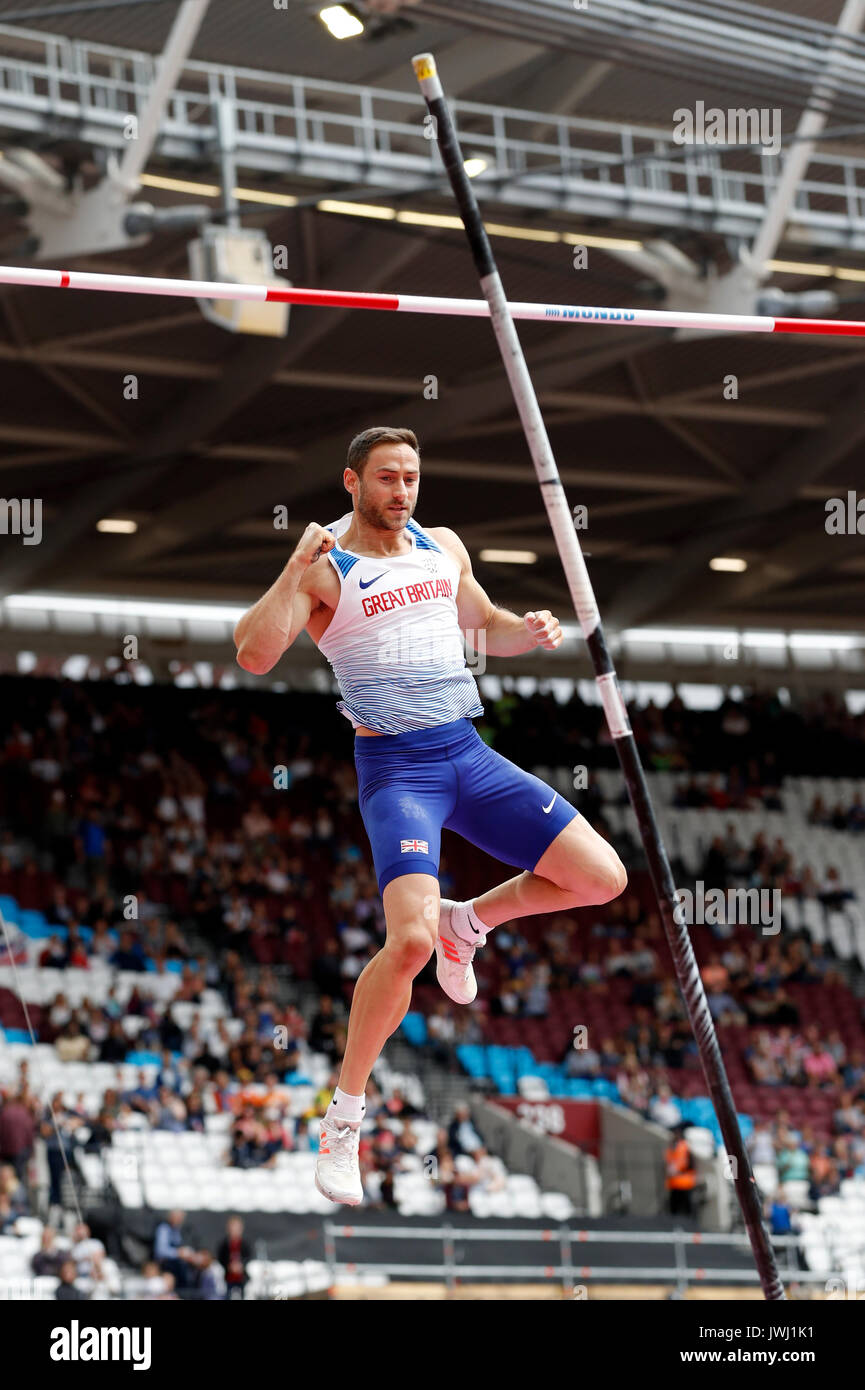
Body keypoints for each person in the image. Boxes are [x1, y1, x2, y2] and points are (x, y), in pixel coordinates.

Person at [233, 426, 627, 1206]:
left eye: (411, 477)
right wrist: (291, 567)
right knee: (407, 943)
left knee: (601, 877)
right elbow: (253, 653)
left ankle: (469, 922)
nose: (402, 491)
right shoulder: (326, 571)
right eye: (386, 478)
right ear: (352, 482)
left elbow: (488, 627)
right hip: (398, 772)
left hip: (467, 756)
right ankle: (344, 1117)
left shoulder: (439, 544)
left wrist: (531, 632)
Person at [664, 1122, 698, 1218]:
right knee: (674, 1210)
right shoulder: (671, 1147)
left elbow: (691, 1165)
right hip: (674, 1183)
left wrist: (678, 1170)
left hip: (685, 1183)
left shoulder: (685, 1147)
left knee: (687, 1210)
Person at [217, 1216, 251, 1301]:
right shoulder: (224, 1244)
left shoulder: (245, 1244)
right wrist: (229, 1266)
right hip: (228, 1277)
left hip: (241, 1277)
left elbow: (248, 1256)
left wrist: (241, 1265)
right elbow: (220, 1257)